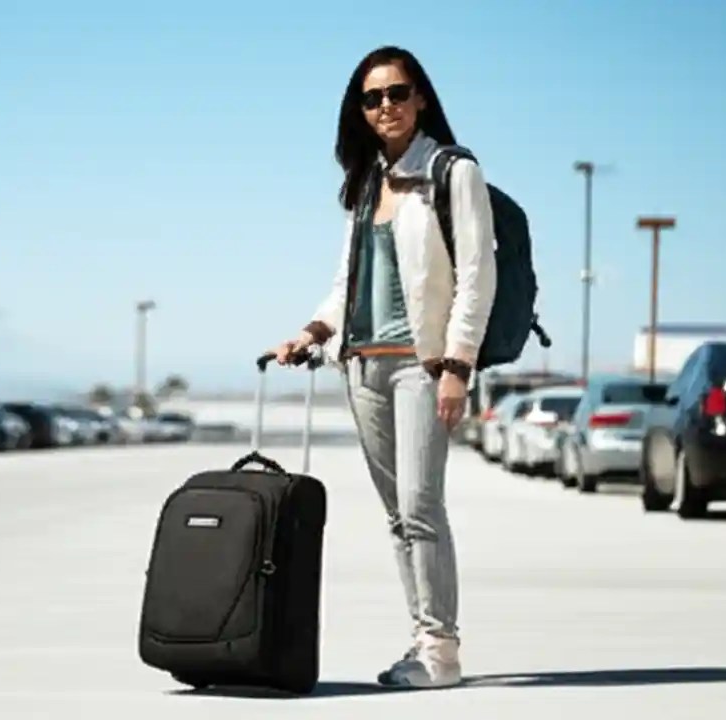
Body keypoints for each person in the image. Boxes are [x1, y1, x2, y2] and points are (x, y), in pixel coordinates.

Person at [269, 45, 497, 688]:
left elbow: (478, 276)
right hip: (362, 366)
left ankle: (440, 651)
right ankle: (422, 639)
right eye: (372, 98)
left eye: (397, 93)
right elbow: (349, 281)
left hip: (421, 368)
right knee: (398, 516)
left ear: (420, 96)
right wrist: (311, 330)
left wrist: (457, 365)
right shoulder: (367, 181)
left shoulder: (452, 171)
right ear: (360, 111)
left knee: (422, 507)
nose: (386, 106)